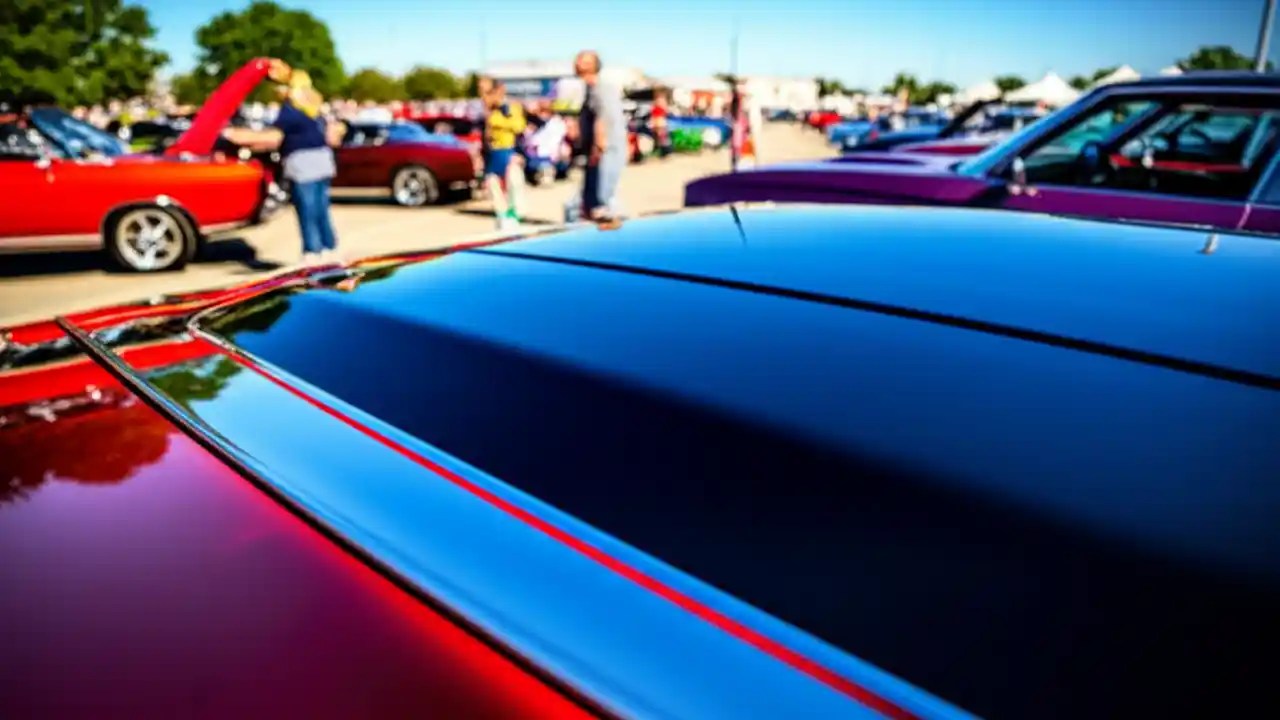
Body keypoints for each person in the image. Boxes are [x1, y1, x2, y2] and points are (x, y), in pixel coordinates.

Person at [224, 67, 344, 265]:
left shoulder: (290, 109)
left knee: (307, 210)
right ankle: (330, 248)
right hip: (323, 162)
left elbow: (274, 137)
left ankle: (312, 252)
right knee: (321, 209)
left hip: (302, 164)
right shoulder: (314, 108)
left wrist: (235, 136)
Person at [572, 50, 626, 224]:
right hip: (596, 149)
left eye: (582, 60)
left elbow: (604, 117)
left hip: (605, 148)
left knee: (602, 197)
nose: (576, 63)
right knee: (591, 198)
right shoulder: (589, 89)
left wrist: (599, 145)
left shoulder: (601, 88)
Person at [482, 80, 527, 230]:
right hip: (493, 153)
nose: (484, 97)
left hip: (508, 151)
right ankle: (501, 216)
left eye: (488, 93)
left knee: (513, 184)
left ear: (499, 91)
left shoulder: (511, 108)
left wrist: (502, 118)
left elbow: (519, 127)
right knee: (493, 185)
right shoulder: (486, 111)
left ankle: (514, 216)